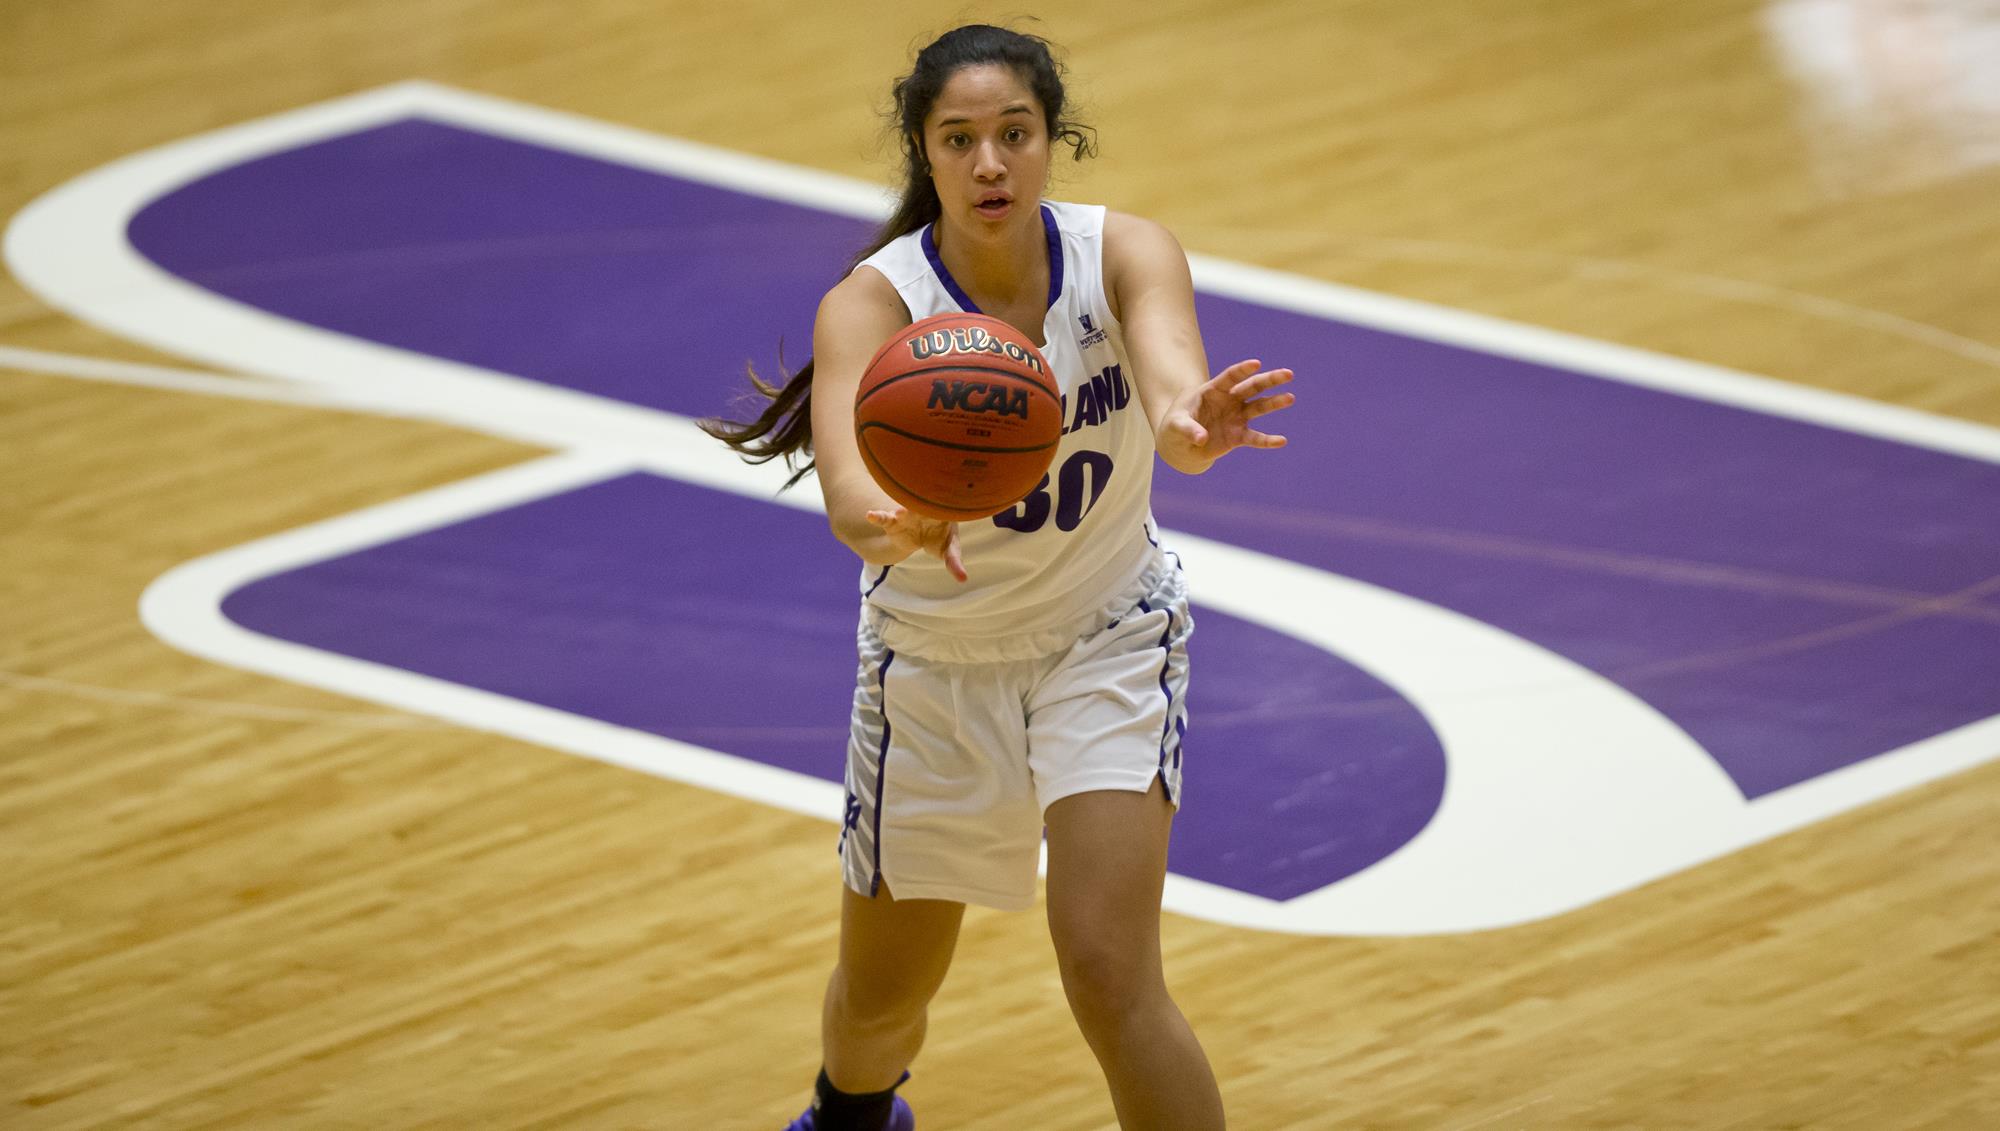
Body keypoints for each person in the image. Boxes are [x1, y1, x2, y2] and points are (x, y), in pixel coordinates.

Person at [703, 23, 1294, 1131]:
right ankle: (849, 1115)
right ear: (922, 154)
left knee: (1110, 977)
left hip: (1105, 637)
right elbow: (846, 497)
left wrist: (1194, 425)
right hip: (934, 666)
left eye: (1013, 135)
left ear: (1051, 141)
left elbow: (1172, 398)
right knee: (880, 1009)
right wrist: (899, 525)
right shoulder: (871, 308)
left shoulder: (1123, 253)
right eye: (960, 139)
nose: (989, 164)